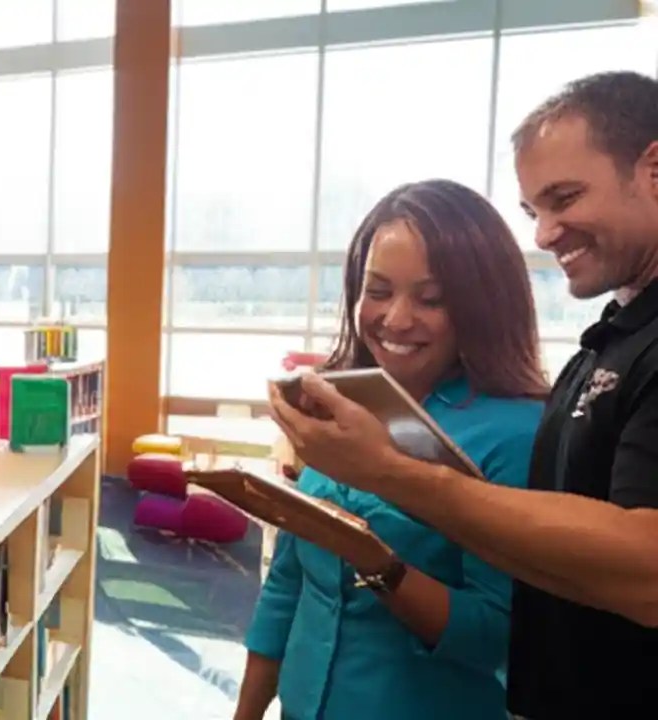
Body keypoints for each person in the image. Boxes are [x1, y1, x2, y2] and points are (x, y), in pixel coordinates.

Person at [266, 71, 658, 720]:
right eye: (535, 211)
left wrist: (386, 481)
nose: (546, 233)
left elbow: (643, 570)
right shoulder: (606, 347)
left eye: (566, 198)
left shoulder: (514, 422)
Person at [235, 179, 547, 720]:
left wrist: (374, 560)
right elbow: (287, 584)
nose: (396, 319)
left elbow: (496, 638)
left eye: (431, 299)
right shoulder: (336, 403)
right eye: (377, 291)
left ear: (481, 306)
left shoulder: (516, 435)